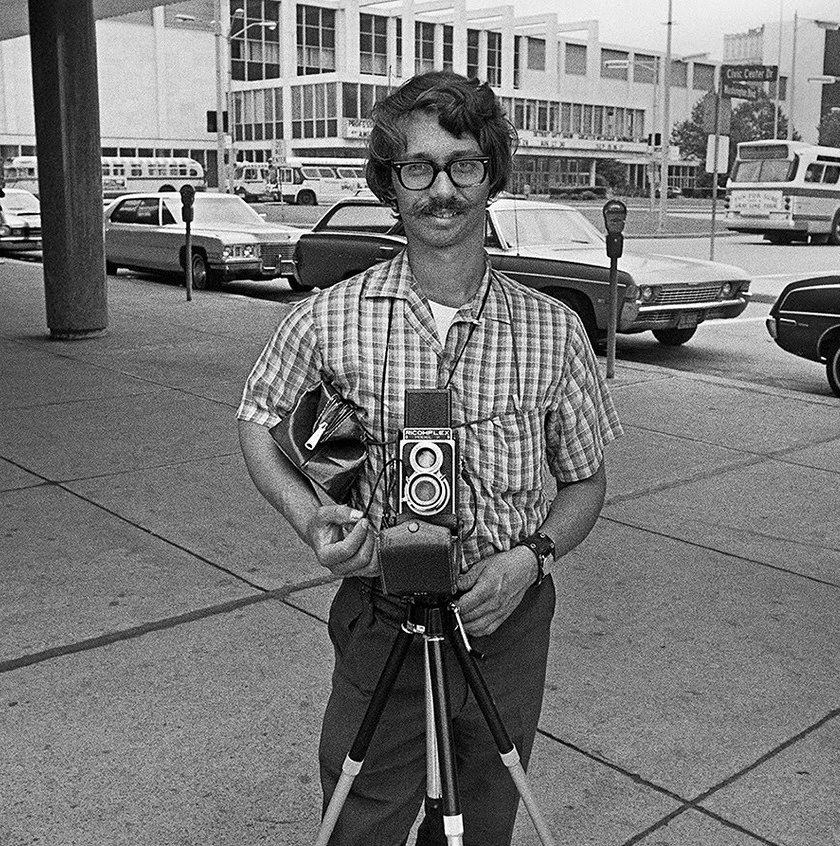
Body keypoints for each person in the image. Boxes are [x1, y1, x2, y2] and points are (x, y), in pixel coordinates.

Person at [237, 71, 622, 845]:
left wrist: (530, 561)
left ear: (493, 175)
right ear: (390, 181)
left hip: (507, 620)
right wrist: (312, 520)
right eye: (417, 167)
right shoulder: (327, 319)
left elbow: (585, 483)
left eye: (463, 164)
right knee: (361, 821)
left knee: (485, 816)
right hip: (382, 616)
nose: (441, 189)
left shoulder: (554, 332)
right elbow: (257, 424)